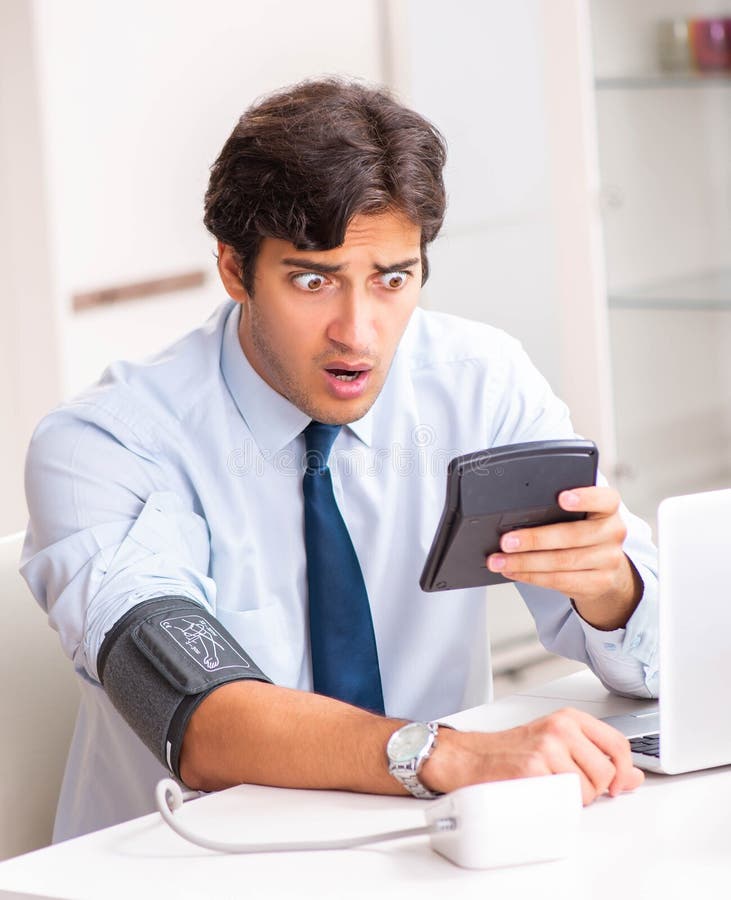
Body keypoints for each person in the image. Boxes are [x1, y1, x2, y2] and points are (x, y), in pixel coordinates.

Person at [21, 78, 658, 842]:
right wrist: (442, 756)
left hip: (432, 849)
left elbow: (661, 668)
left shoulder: (480, 385)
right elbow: (197, 714)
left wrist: (612, 590)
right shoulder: (102, 445)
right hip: (186, 870)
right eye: (313, 281)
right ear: (233, 269)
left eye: (392, 279)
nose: (358, 331)